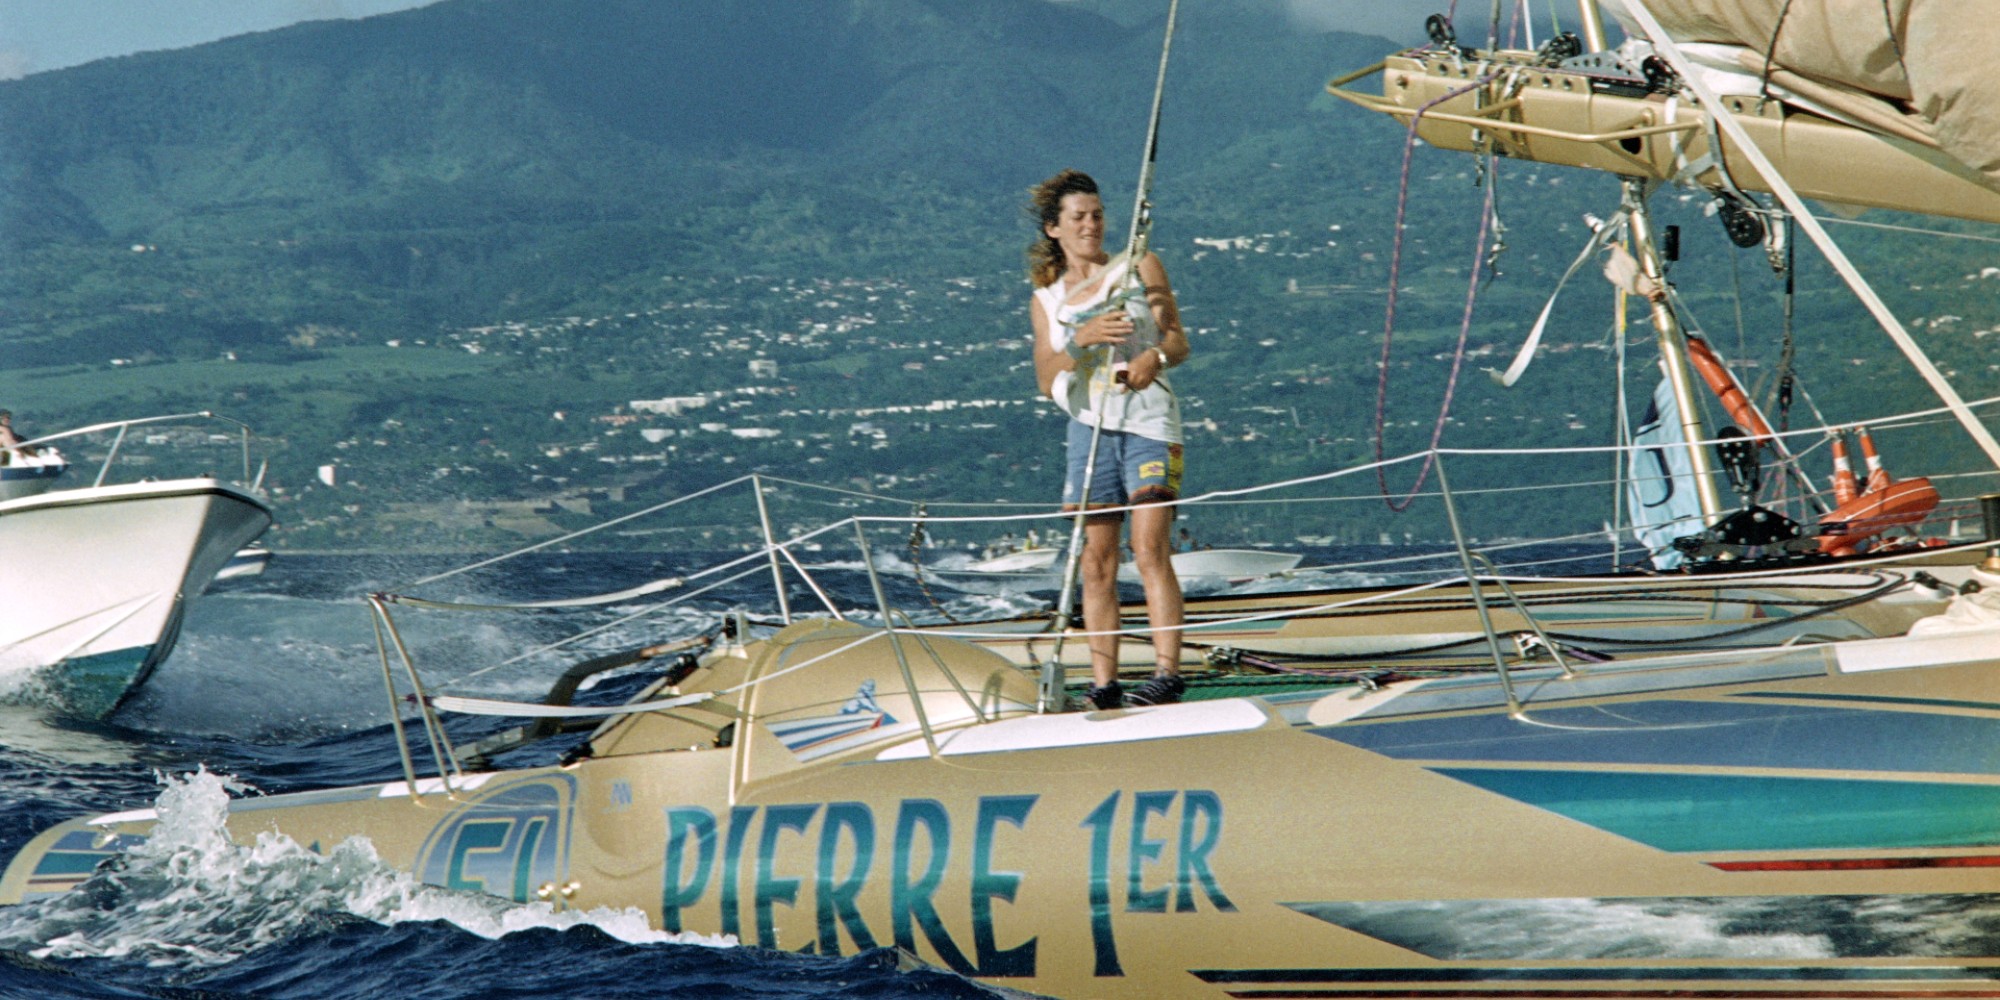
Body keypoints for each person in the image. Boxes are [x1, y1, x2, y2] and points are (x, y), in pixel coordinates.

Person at [1027, 169, 1191, 710]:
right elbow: (1046, 372)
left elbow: (1177, 338)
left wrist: (1154, 356)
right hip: (1089, 427)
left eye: (1097, 214)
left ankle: (1167, 672)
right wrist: (1083, 339)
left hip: (1148, 422)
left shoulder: (1139, 265)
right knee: (1096, 560)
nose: (1092, 225)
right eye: (1079, 217)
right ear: (1055, 228)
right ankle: (1104, 684)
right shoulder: (1047, 298)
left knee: (1149, 547)